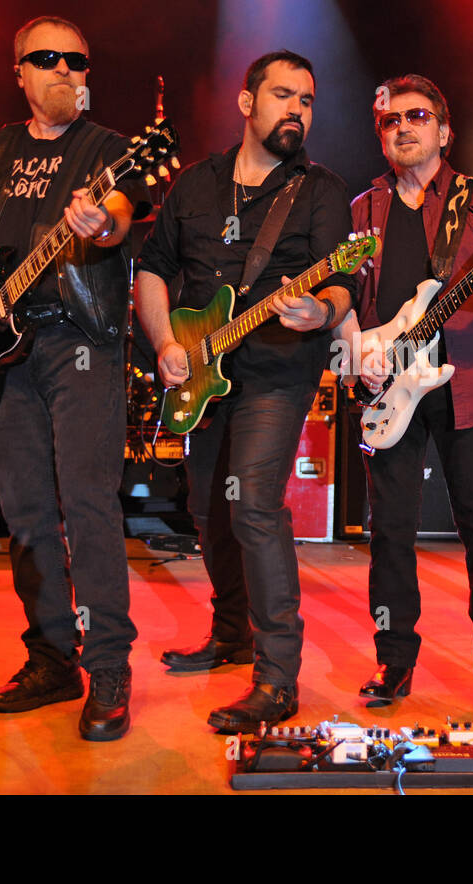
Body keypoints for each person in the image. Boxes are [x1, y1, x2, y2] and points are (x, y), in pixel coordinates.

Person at [0, 16, 153, 740]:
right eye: (48, 59)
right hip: (4, 349)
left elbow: (123, 212)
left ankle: (111, 665)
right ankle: (53, 657)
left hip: (81, 342)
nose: (66, 70)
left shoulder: (111, 150)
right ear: (19, 72)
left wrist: (101, 226)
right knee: (26, 514)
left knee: (89, 502)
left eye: (78, 61)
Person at [135, 50, 355, 732]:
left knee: (255, 505)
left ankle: (277, 677)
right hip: (202, 374)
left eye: (309, 100)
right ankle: (231, 635)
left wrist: (322, 311)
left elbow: (344, 282)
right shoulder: (196, 186)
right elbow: (153, 269)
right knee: (207, 506)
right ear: (246, 102)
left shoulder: (319, 191)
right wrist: (167, 344)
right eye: (284, 94)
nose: (298, 109)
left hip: (277, 372)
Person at [336, 74, 473, 718]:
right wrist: (354, 359)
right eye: (391, 120)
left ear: (444, 132)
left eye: (417, 116)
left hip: (466, 382)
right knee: (389, 530)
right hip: (390, 388)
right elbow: (345, 300)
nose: (403, 127)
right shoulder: (363, 209)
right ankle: (394, 661)